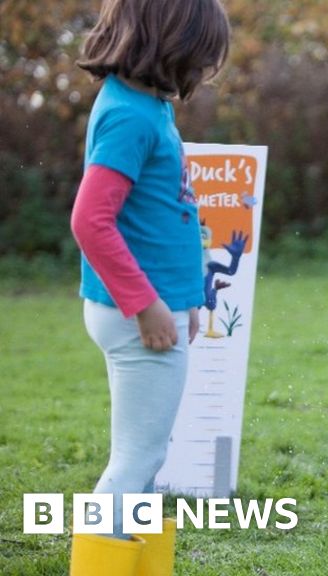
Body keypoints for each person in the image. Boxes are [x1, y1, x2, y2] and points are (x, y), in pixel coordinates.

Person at [68, 0, 230, 574]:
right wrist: (147, 307)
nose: (208, 69)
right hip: (133, 312)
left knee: (145, 456)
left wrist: (181, 302)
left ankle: (136, 565)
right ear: (172, 44)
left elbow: (163, 216)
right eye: (204, 56)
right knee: (136, 460)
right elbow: (90, 221)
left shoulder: (146, 107)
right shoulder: (132, 116)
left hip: (150, 309)